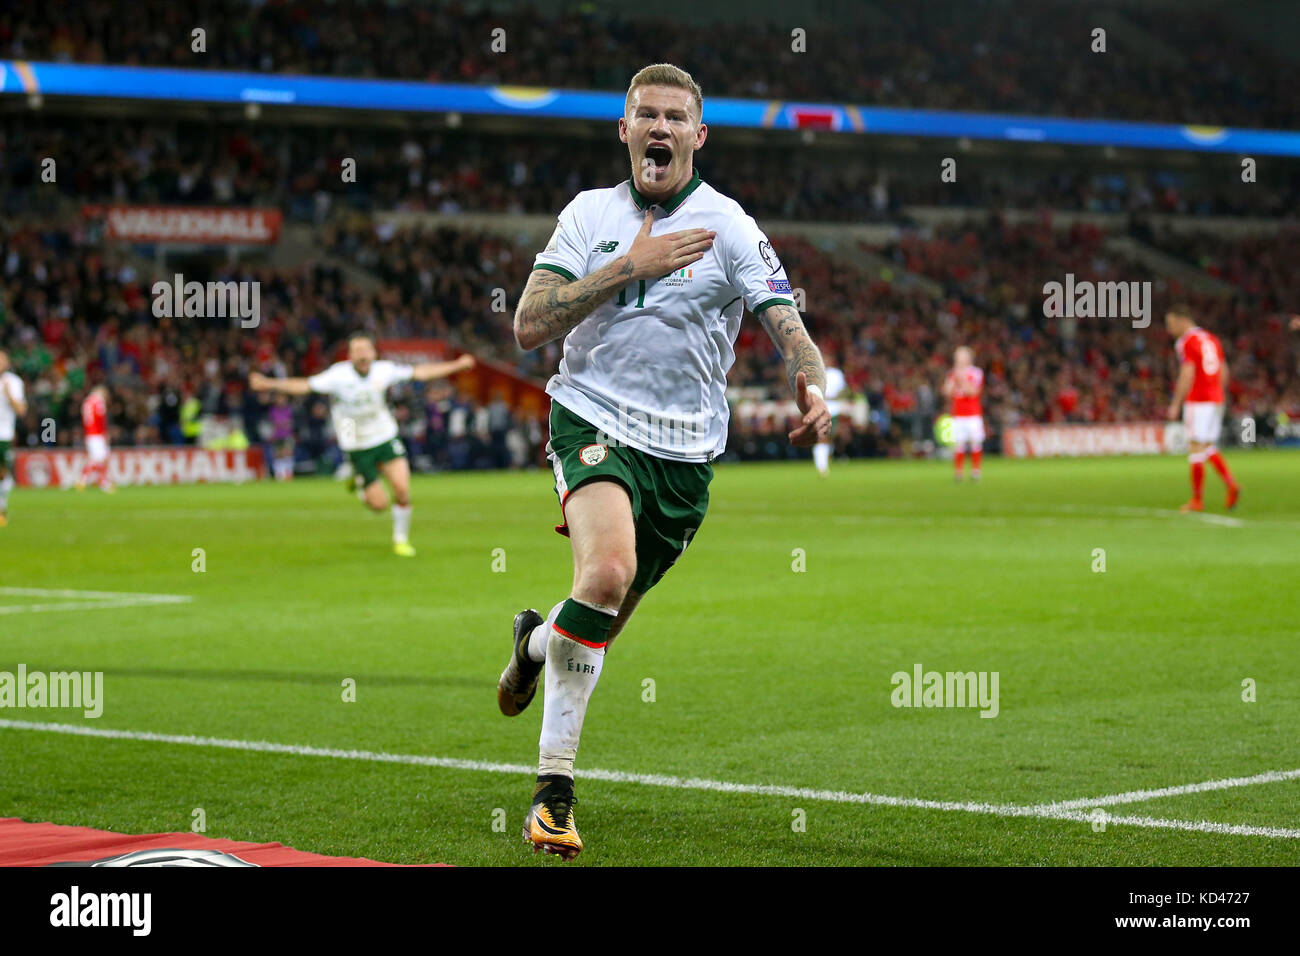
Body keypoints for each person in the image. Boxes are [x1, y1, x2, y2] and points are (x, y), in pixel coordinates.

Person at [496, 63, 831, 860]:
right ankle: (553, 793)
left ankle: (535, 644)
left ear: (697, 134)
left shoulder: (730, 225)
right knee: (605, 574)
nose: (660, 127)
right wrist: (627, 268)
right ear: (624, 130)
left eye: (675, 117)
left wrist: (809, 377)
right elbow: (529, 326)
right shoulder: (588, 216)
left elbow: (784, 316)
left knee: (599, 621)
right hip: (592, 416)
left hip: (684, 454)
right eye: (645, 113)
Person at [250, 335, 474, 556]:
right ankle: (358, 482)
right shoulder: (338, 375)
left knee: (403, 491)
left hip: (385, 437)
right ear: (350, 356)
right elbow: (305, 385)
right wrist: (269, 383)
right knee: (378, 506)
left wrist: (457, 364)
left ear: (373, 353)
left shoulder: (384, 370)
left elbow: (420, 372)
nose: (362, 354)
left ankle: (401, 540)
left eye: (366, 349)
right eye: (357, 350)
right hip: (357, 445)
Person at [1165, 305, 1239, 512]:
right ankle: (1231, 485)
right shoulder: (1212, 339)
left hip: (1198, 400)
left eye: (1171, 324)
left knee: (1195, 447)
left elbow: (1187, 373)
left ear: (1183, 320)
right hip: (1216, 397)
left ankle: (1197, 500)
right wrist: (1219, 395)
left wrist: (1176, 403)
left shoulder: (1186, 342)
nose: (1169, 329)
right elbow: (1224, 371)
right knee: (1207, 446)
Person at [942, 347, 984, 482]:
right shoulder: (952, 373)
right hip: (958, 414)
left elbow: (973, 392)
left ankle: (975, 471)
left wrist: (961, 378)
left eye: (960, 355)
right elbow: (947, 392)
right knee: (959, 444)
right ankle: (958, 473)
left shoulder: (976, 372)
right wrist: (952, 382)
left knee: (975, 443)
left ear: (968, 358)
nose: (957, 358)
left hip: (973, 414)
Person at [0, 350, 27, 526]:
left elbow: (21, 410)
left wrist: (8, 394)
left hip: (3, 434)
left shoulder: (13, 382)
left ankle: (1, 508)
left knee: (3, 474)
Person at [76, 384, 114, 493]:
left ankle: (98, 481)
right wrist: (104, 433)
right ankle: (91, 480)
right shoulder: (99, 401)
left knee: (97, 458)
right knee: (99, 458)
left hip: (89, 434)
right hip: (97, 434)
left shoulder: (86, 402)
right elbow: (101, 419)